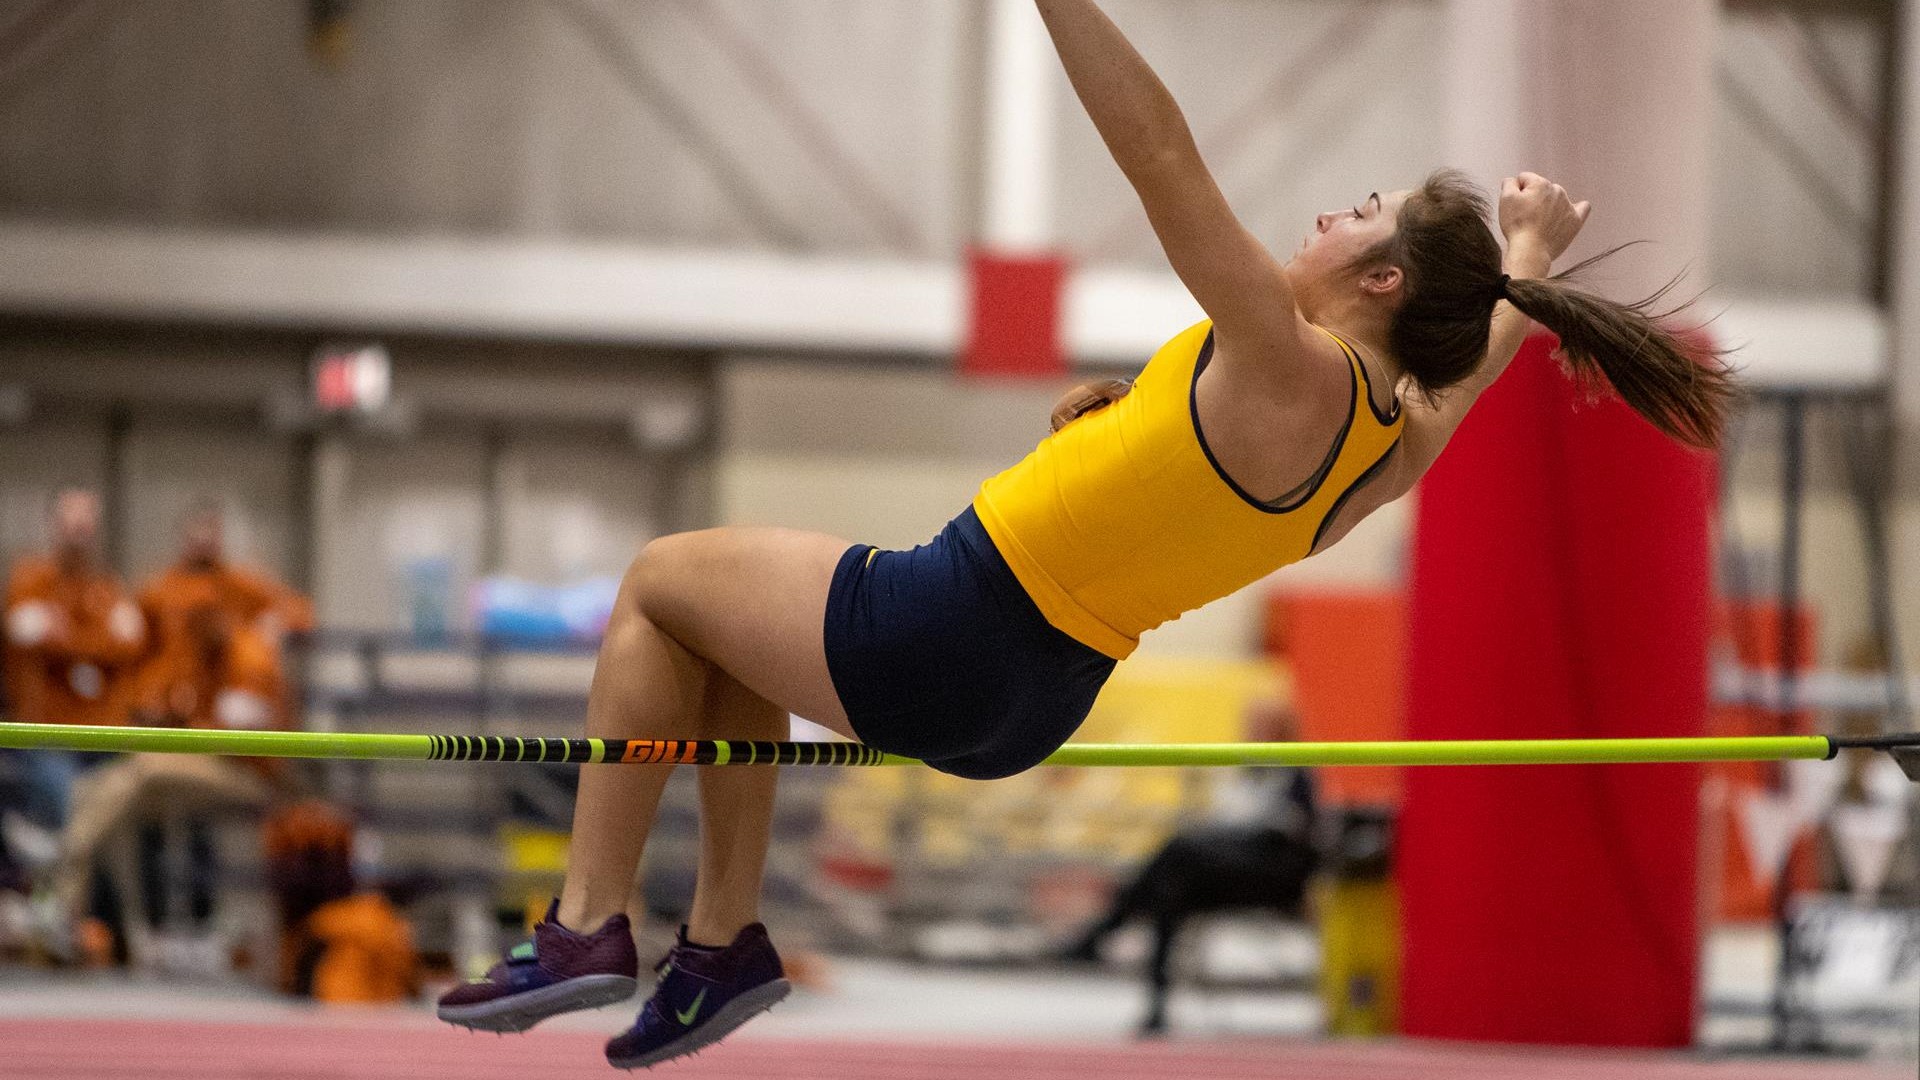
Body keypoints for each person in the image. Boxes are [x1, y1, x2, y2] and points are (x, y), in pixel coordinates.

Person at [436, 1, 1732, 1068]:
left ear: (1380, 283)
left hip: (957, 617)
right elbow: (1470, 373)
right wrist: (1520, 255)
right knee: (719, 655)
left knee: (661, 582)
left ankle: (590, 924)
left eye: (1356, 213)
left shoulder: (1291, 364)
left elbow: (1160, 154)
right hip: (1032, 696)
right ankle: (719, 948)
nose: (1326, 218)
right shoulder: (1379, 443)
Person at [44, 502, 311, 952]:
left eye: (200, 614)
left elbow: (234, 742)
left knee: (140, 770)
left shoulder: (249, 654)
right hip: (199, 762)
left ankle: (61, 861)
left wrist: (188, 717)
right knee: (103, 792)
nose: (190, 625)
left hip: (247, 773)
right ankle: (115, 925)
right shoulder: (194, 647)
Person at [1057, 699, 1319, 1035]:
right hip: (1227, 869)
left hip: (1269, 871)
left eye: (1265, 726)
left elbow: (1295, 833)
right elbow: (1225, 818)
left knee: (1179, 849)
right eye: (1253, 724)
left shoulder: (1298, 771)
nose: (1257, 732)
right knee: (1169, 893)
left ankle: (1104, 931)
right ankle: (1156, 1009)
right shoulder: (1243, 767)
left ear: (1283, 730)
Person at [1, 490, 145, 866]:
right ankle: (57, 892)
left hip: (105, 735)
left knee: (136, 799)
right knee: (63, 797)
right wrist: (99, 642)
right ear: (53, 527)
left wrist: (66, 640)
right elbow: (27, 633)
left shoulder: (107, 588)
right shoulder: (29, 580)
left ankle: (79, 890)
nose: (79, 534)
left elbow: (130, 645)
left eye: (87, 525)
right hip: (47, 733)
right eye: (71, 524)